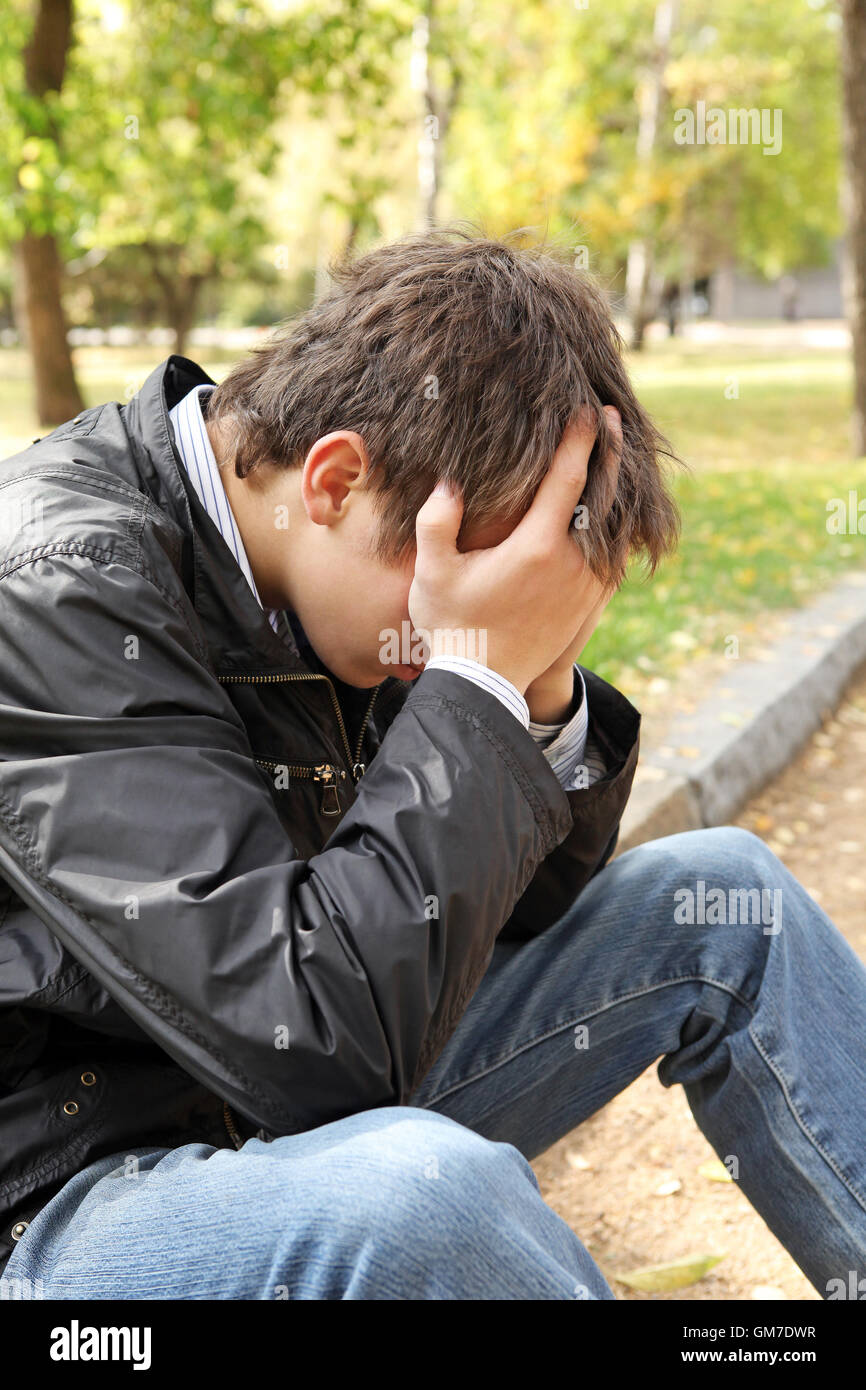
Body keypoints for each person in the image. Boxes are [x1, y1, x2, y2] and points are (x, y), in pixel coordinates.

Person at [1, 229, 864, 1301]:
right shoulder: (51, 585)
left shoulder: (344, 564)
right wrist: (470, 683)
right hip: (65, 1205)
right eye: (463, 592)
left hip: (289, 1104)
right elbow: (312, 1051)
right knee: (424, 1196)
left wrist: (534, 692)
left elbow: (498, 919)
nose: (459, 624)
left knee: (727, 899)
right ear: (333, 481)